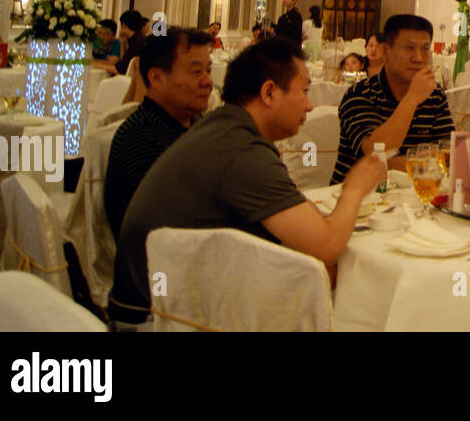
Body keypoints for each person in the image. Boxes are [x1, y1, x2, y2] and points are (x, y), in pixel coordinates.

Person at [108, 37, 386, 325]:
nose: (309, 106)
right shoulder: (241, 149)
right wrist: (355, 187)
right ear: (268, 92)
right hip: (159, 318)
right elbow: (327, 244)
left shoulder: (223, 126)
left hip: (172, 300)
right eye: (304, 92)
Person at [103, 29, 214, 237]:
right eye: (196, 72)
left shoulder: (193, 122)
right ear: (157, 78)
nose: (208, 82)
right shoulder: (142, 140)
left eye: (208, 71)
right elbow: (179, 226)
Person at [330, 14, 454, 183]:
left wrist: (391, 162)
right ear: (385, 51)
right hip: (359, 200)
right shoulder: (359, 94)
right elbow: (376, 152)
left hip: (414, 198)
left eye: (425, 48)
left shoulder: (434, 95)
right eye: (409, 48)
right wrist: (412, 99)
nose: (418, 57)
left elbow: (448, 155)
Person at [114, 10, 147, 76]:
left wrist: (93, 63)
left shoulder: (137, 42)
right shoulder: (138, 37)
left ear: (124, 25)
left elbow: (121, 69)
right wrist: (122, 42)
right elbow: (123, 61)